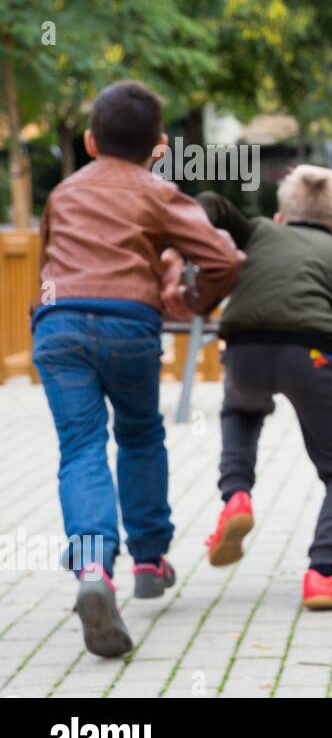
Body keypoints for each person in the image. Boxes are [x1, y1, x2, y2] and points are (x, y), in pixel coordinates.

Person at [32, 80, 244, 657]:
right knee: (140, 434)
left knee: (81, 447)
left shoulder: (64, 194)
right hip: (129, 324)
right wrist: (191, 301)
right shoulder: (159, 191)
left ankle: (93, 568)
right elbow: (226, 257)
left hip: (58, 325)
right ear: (160, 146)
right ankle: (150, 559)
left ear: (91, 140)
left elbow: (49, 259)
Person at [193, 165, 332, 610]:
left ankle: (236, 497)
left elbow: (212, 205)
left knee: (242, 412)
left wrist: (183, 234)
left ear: (281, 217)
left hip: (243, 347)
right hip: (313, 355)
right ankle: (325, 572)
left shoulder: (259, 232)